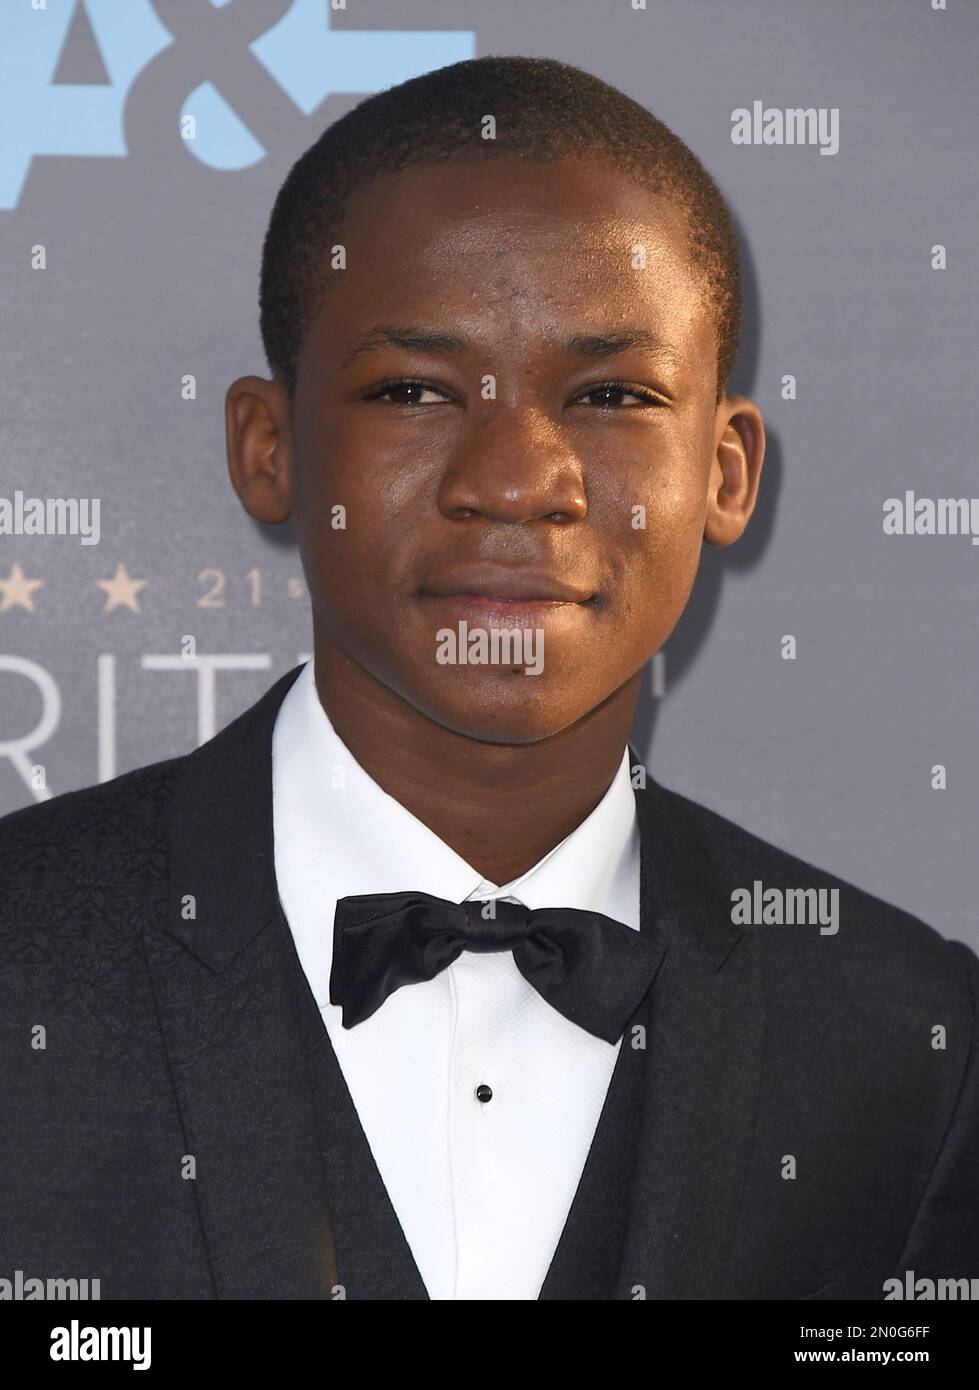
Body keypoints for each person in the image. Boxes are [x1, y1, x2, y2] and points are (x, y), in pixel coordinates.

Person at [1, 55, 976, 1302]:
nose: (517, 479)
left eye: (613, 394)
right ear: (269, 447)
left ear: (724, 471)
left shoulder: (908, 1045)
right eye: (413, 389)